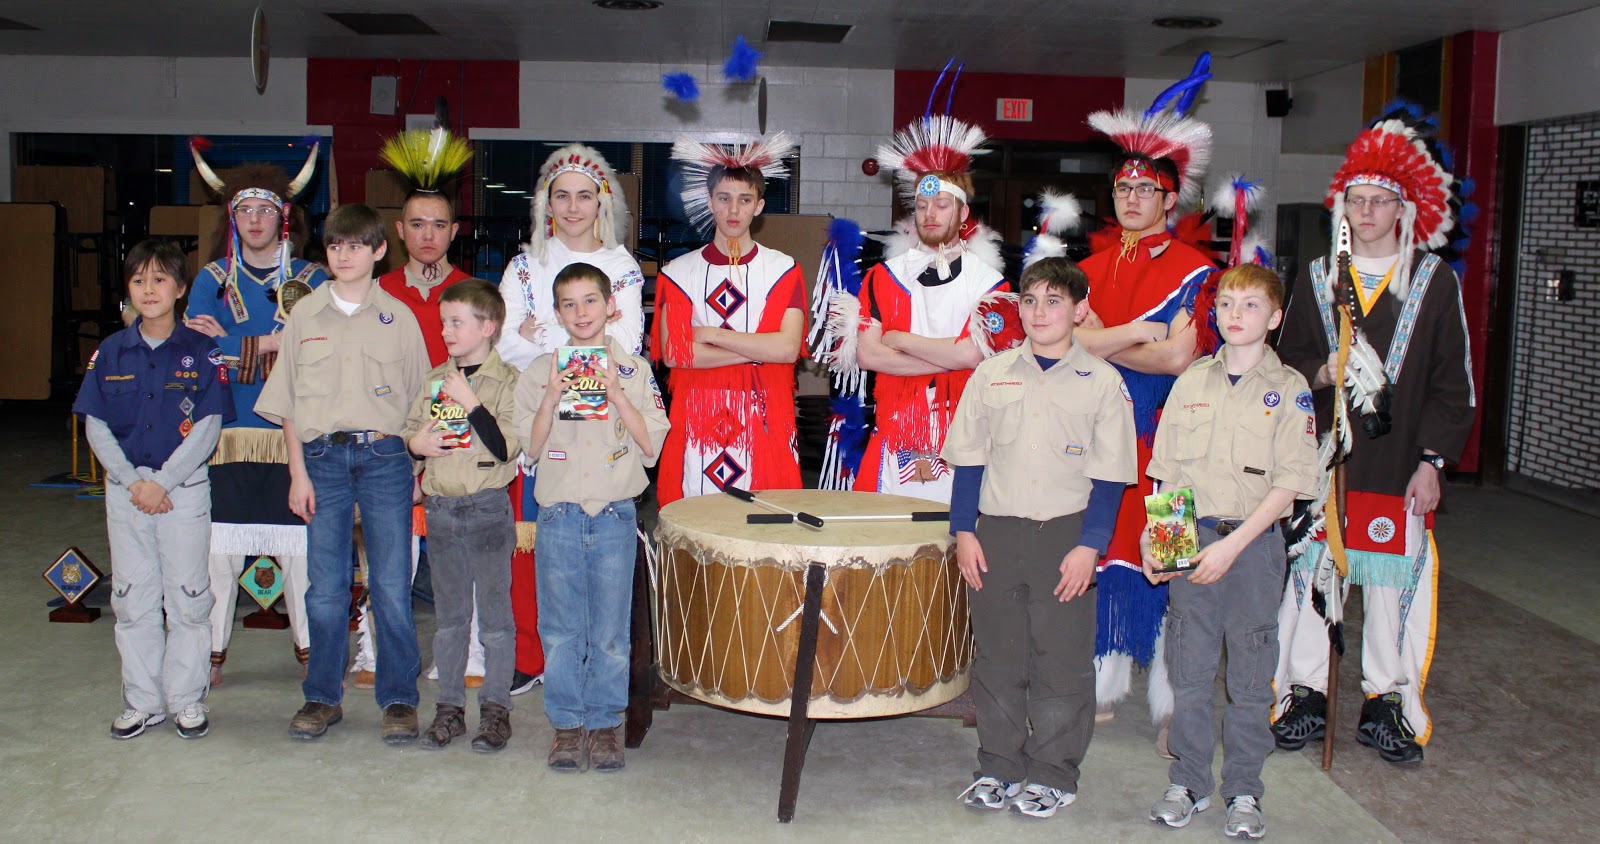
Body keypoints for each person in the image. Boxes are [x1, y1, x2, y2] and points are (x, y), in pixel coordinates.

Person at [1271, 104, 1474, 767]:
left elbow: (1451, 382)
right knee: (1310, 578)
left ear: (1403, 208)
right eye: (1355, 200)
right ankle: (1304, 693)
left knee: (1392, 588)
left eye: (1379, 201)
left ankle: (1387, 701)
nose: (1365, 212)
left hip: (1397, 462)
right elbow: (1285, 364)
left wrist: (1433, 461)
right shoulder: (1318, 277)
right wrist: (1321, 370)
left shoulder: (1433, 282)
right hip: (1323, 464)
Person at [941, 257, 1137, 819]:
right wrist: (963, 531)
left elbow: (1110, 477)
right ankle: (999, 766)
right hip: (997, 535)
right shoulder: (991, 374)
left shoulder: (1102, 382)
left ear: (1080, 310)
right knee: (997, 658)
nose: (1039, 312)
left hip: (1065, 538)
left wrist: (1089, 546)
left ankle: (1053, 773)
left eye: (1054, 301)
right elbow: (969, 462)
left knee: (1062, 659)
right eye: (1029, 301)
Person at [1140, 263, 1320, 838]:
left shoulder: (1288, 388)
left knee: (1249, 679)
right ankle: (1188, 783)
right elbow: (1168, 473)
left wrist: (1232, 548)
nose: (1235, 315)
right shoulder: (1192, 380)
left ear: (1275, 317)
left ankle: (1243, 790)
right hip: (1190, 537)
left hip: (1253, 546)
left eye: (1250, 305)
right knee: (1189, 672)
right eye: (1225, 304)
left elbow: (1290, 486)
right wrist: (1159, 540)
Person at [1075, 65, 1219, 733]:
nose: (1132, 197)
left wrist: (1104, 340)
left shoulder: (1198, 272)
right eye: (1123, 187)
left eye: (1146, 189)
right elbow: (1068, 344)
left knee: (1170, 558)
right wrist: (1137, 335)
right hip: (1098, 435)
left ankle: (1172, 702)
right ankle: (1103, 681)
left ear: (1170, 198)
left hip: (1169, 439)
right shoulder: (1085, 271)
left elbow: (1178, 358)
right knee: (1103, 553)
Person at [256, 204, 430, 743]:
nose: (344, 255)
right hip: (322, 462)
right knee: (325, 589)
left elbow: (421, 402)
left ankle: (398, 698)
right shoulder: (304, 316)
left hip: (386, 460)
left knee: (392, 585)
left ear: (379, 251)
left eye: (356, 245)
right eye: (335, 246)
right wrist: (297, 474)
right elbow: (288, 403)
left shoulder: (399, 318)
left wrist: (417, 467)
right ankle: (322, 696)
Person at [496, 143, 647, 696]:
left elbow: (624, 343)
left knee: (602, 555)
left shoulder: (621, 267)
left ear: (602, 202)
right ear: (547, 203)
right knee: (532, 542)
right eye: (562, 196)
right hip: (540, 417)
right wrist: (572, 341)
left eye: (585, 195)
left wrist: (542, 333)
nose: (574, 206)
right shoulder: (523, 266)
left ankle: (597, 669)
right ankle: (532, 655)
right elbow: (504, 343)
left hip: (603, 428)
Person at [513, 262, 670, 772]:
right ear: (557, 313)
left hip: (613, 516)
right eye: (569, 304)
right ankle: (566, 724)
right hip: (558, 516)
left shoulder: (634, 370)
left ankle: (604, 724)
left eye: (590, 301)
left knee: (609, 632)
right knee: (560, 629)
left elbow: (651, 446)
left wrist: (616, 394)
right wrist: (552, 396)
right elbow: (529, 449)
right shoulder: (540, 372)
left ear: (611, 306)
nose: (581, 312)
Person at [75, 240, 233, 739]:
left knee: (188, 598)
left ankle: (185, 699)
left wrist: (161, 482)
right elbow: (96, 424)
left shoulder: (202, 351)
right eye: (139, 280)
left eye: (160, 279)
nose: (149, 289)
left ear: (181, 289)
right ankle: (142, 701)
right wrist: (133, 482)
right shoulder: (110, 351)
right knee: (132, 598)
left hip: (181, 491)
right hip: (127, 493)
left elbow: (208, 426)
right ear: (128, 288)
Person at [183, 140, 326, 685]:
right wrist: (269, 346)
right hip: (228, 434)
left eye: (265, 209)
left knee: (301, 555)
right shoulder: (210, 278)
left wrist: (237, 346)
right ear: (232, 216)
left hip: (294, 436)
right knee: (219, 554)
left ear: (283, 216)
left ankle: (314, 658)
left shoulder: (312, 279)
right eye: (245, 209)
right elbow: (198, 353)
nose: (255, 219)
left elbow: (314, 351)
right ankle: (210, 657)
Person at [349, 127, 478, 693]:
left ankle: (467, 653)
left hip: (454, 447)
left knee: (458, 558)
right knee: (386, 559)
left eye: (439, 225)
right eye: (417, 224)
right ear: (398, 231)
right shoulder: (372, 294)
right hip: (387, 448)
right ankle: (375, 651)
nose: (428, 235)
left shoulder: (476, 294)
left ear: (455, 230)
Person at [854, 112, 1012, 502]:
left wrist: (899, 339)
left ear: (962, 213)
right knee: (887, 525)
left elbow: (974, 354)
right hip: (897, 425)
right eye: (923, 204)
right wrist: (953, 357)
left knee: (956, 531)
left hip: (965, 427)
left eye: (941, 204)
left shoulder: (989, 282)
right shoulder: (883, 276)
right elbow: (868, 355)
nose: (930, 214)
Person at [651, 133, 805, 505]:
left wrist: (710, 334)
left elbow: (787, 350)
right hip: (699, 418)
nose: (733, 210)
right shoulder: (677, 273)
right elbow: (676, 355)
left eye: (744, 199)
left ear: (759, 205)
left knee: (764, 522)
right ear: (709, 202)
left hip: (764, 415)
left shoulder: (783, 269)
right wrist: (759, 350)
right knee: (699, 516)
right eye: (724, 198)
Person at [401, 278, 521, 752]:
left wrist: (470, 401)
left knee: (495, 620)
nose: (446, 331)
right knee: (450, 619)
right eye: (443, 322)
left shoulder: (508, 382)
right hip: (442, 509)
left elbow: (507, 446)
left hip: (487, 507)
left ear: (488, 327)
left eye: (456, 322)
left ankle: (495, 711)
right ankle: (448, 708)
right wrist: (417, 444)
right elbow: (411, 435)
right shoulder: (434, 379)